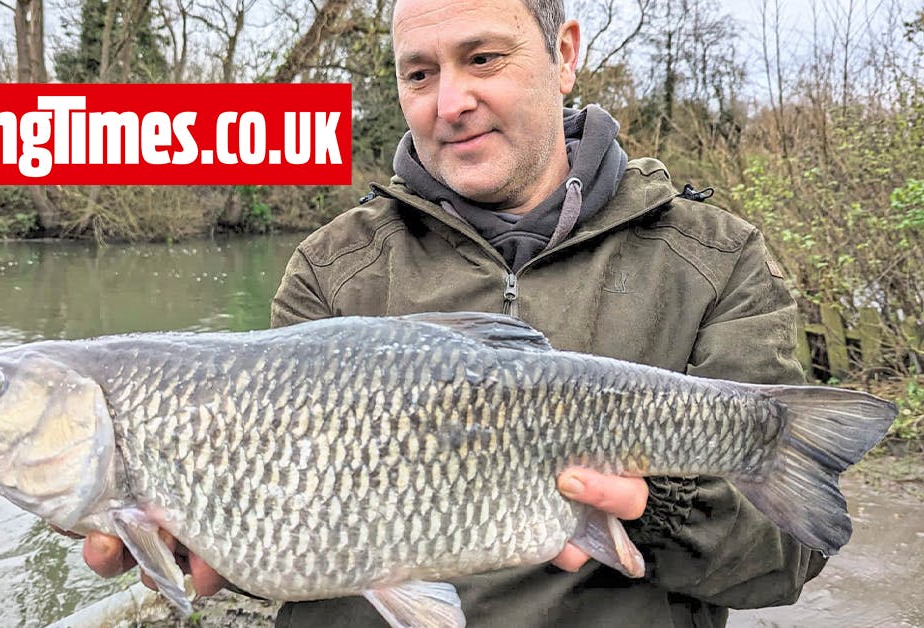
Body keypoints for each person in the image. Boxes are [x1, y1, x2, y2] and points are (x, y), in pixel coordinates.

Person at [79, 0, 826, 625]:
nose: (450, 103)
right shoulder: (332, 269)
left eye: (483, 59)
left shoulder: (713, 260)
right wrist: (209, 534)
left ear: (564, 55)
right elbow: (277, 536)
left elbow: (786, 559)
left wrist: (653, 508)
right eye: (419, 73)